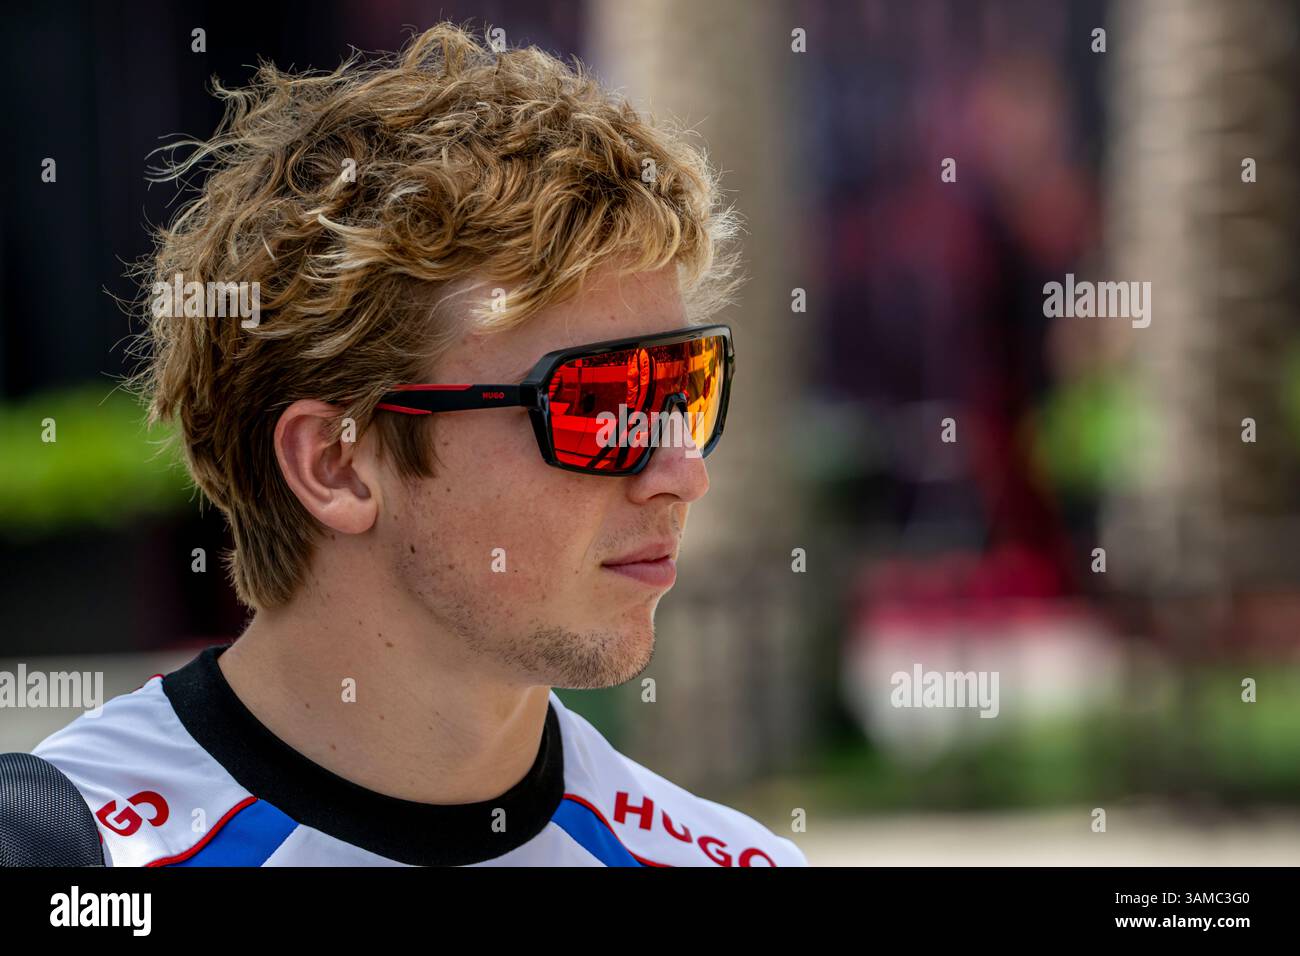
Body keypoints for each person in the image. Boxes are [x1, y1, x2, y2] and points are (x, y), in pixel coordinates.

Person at [29, 22, 806, 867]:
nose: (682, 474)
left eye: (686, 388)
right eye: (604, 406)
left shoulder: (726, 858)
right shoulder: (60, 851)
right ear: (337, 463)